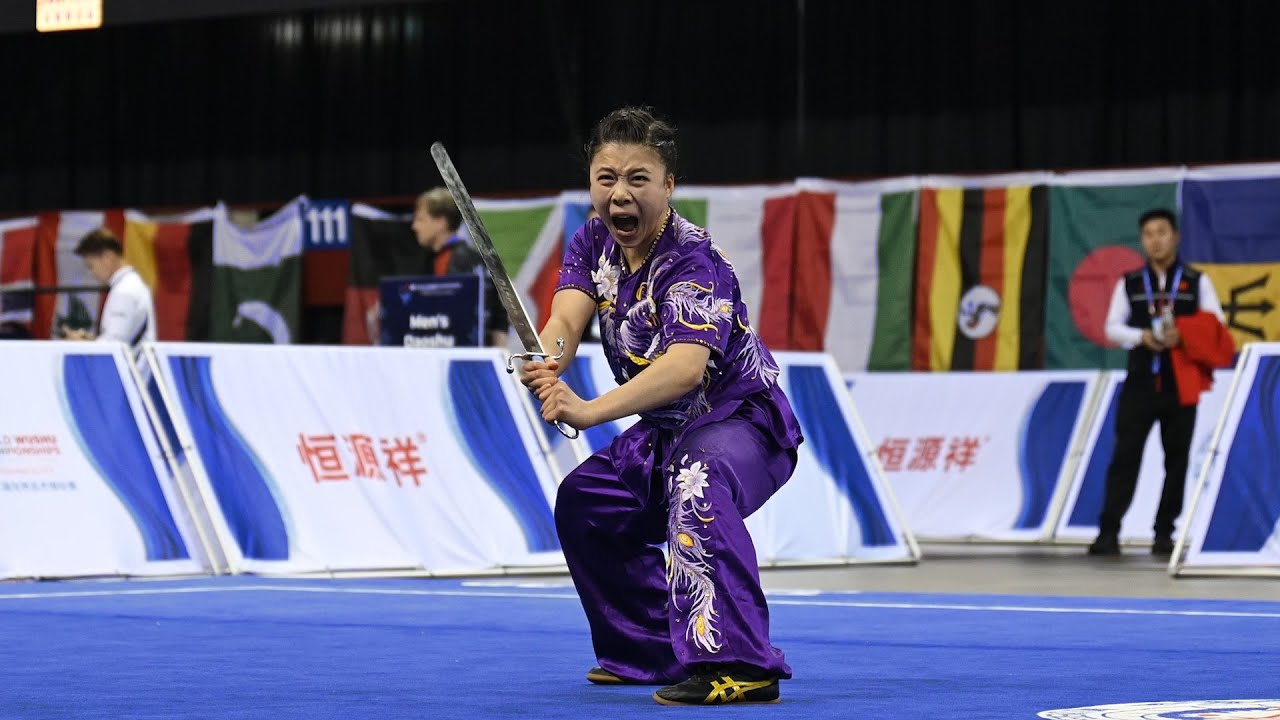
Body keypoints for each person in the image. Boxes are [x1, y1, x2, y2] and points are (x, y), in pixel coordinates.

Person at [520, 107, 802, 706]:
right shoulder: (594, 240)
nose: (619, 194)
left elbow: (683, 369)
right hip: (668, 431)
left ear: (668, 185)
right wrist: (549, 358)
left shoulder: (693, 262)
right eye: (606, 178)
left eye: (637, 179)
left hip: (742, 422)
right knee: (587, 502)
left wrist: (589, 411)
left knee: (696, 480)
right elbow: (567, 316)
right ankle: (650, 653)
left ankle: (742, 665)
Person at [1088, 208, 1228, 557]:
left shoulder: (1196, 281)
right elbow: (1111, 327)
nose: (1156, 240)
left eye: (1162, 232)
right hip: (1140, 382)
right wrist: (1141, 336)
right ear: (1142, 240)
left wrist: (1185, 335)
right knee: (1125, 456)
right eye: (1149, 234)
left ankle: (1165, 533)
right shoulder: (1131, 282)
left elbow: (1217, 324)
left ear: (1175, 236)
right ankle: (1108, 531)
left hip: (1181, 384)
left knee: (1176, 460)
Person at [411, 187, 509, 347]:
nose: (415, 226)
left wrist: (499, 357)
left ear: (441, 222)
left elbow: (495, 315)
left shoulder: (460, 260)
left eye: (420, 219)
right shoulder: (434, 259)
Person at [63, 228, 156, 351]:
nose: (92, 273)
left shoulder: (124, 291)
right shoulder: (130, 285)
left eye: (91, 266)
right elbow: (118, 341)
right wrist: (89, 340)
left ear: (108, 257)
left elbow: (113, 347)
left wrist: (80, 343)